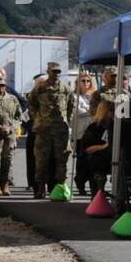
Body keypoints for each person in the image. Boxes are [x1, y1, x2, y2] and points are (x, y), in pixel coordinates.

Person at [28, 61, 75, 198]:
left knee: (61, 160)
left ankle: (60, 187)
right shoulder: (40, 88)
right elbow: (31, 104)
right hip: (44, 130)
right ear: (48, 72)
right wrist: (37, 118)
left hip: (61, 130)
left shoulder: (66, 89)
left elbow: (71, 106)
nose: (56, 74)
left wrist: (67, 120)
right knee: (42, 160)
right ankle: (40, 188)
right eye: (54, 71)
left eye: (58, 72)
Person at [0, 74, 22, 195]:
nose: (0, 88)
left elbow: (19, 116)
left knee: (8, 159)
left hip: (9, 135)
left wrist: (12, 127)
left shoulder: (12, 99)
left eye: (2, 86)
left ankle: (5, 184)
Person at [76, 99, 115, 197]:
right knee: (94, 161)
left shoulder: (116, 126)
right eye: (110, 110)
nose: (112, 113)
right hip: (96, 158)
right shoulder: (93, 128)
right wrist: (104, 146)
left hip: (111, 157)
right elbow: (87, 149)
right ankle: (97, 192)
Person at [71, 71, 96, 191]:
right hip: (81, 133)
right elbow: (77, 112)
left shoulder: (94, 96)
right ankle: (80, 182)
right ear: (78, 83)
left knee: (92, 160)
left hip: (93, 134)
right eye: (83, 81)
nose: (86, 83)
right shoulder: (74, 96)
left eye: (88, 81)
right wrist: (91, 111)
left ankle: (92, 185)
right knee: (82, 160)